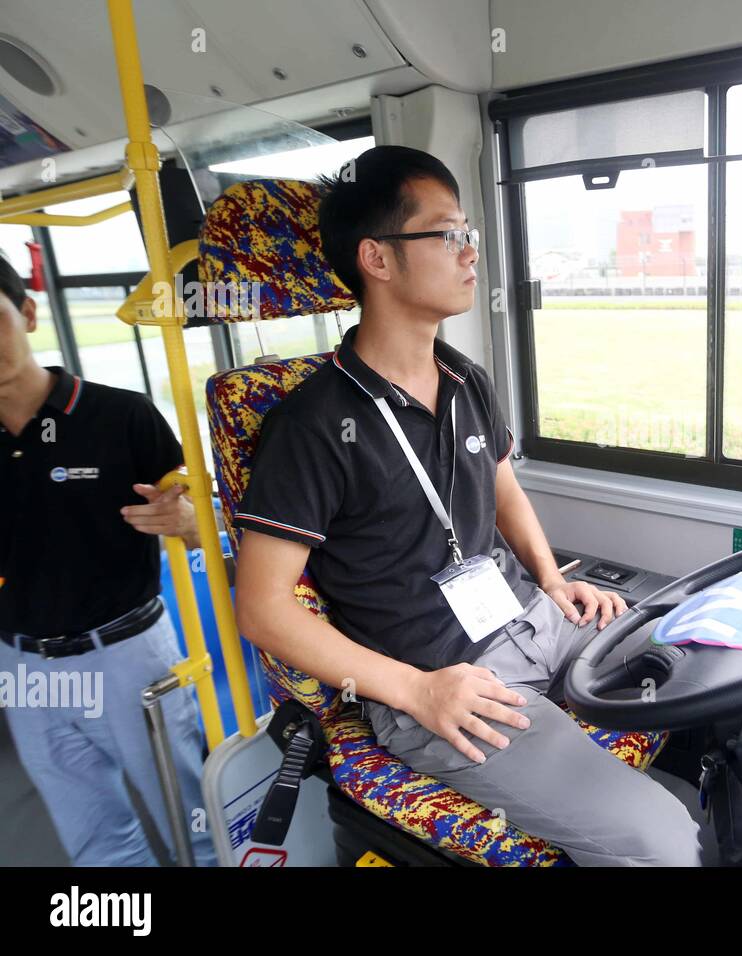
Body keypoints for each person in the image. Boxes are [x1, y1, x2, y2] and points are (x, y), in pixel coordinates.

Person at [233, 146, 702, 866]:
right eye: (448, 234)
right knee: (662, 843)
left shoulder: (465, 380)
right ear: (378, 259)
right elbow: (262, 608)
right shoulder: (312, 426)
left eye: (469, 234)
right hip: (442, 681)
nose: (469, 253)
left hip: (534, 620)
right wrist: (415, 691)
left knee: (710, 660)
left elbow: (502, 483)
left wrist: (552, 580)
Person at [0, 253, 217, 866]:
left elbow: (205, 523)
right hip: (23, 666)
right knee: (94, 841)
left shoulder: (122, 417)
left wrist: (188, 521)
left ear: (28, 313)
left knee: (197, 822)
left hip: (126, 656)